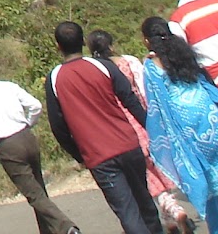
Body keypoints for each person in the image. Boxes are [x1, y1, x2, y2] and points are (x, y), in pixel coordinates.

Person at [45, 20, 164, 234]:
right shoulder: (103, 66)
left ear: (58, 46)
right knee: (145, 204)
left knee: (128, 212)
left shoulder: (54, 79)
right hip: (128, 145)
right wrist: (151, 130)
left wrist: (80, 155)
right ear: (83, 41)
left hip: (99, 157)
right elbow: (131, 101)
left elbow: (58, 127)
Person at [90, 28, 196, 233]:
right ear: (111, 44)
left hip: (121, 127)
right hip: (142, 119)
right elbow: (142, 87)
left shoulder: (98, 70)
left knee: (147, 179)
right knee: (159, 171)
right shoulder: (128, 61)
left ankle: (175, 211)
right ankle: (171, 221)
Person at [0, 58, 81, 234]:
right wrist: (28, 123)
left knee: (34, 194)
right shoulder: (8, 86)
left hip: (7, 146)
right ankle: (49, 231)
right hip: (27, 137)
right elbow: (35, 105)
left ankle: (67, 227)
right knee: (38, 188)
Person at [140, 15, 218, 234]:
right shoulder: (183, 51)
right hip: (211, 118)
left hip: (188, 129)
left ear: (146, 40)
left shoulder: (152, 66)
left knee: (207, 186)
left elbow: (156, 105)